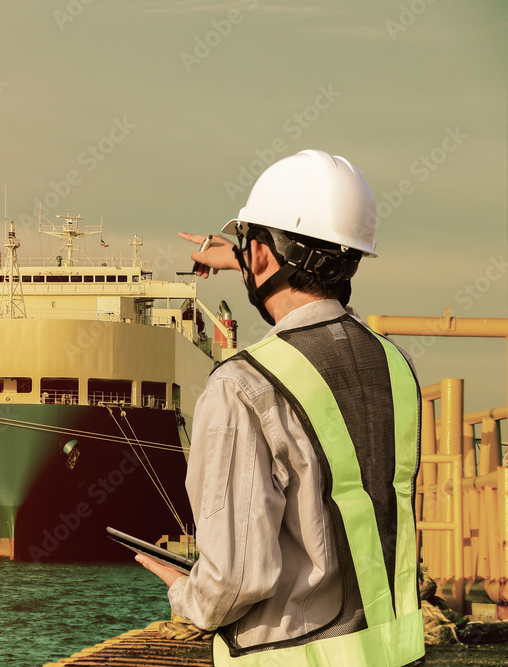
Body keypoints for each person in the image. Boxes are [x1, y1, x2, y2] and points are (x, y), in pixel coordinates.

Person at [137, 149, 425, 666]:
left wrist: (186, 593)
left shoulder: (242, 385)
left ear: (264, 257)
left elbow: (233, 579)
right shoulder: (397, 367)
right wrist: (252, 253)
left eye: (250, 246)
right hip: (393, 654)